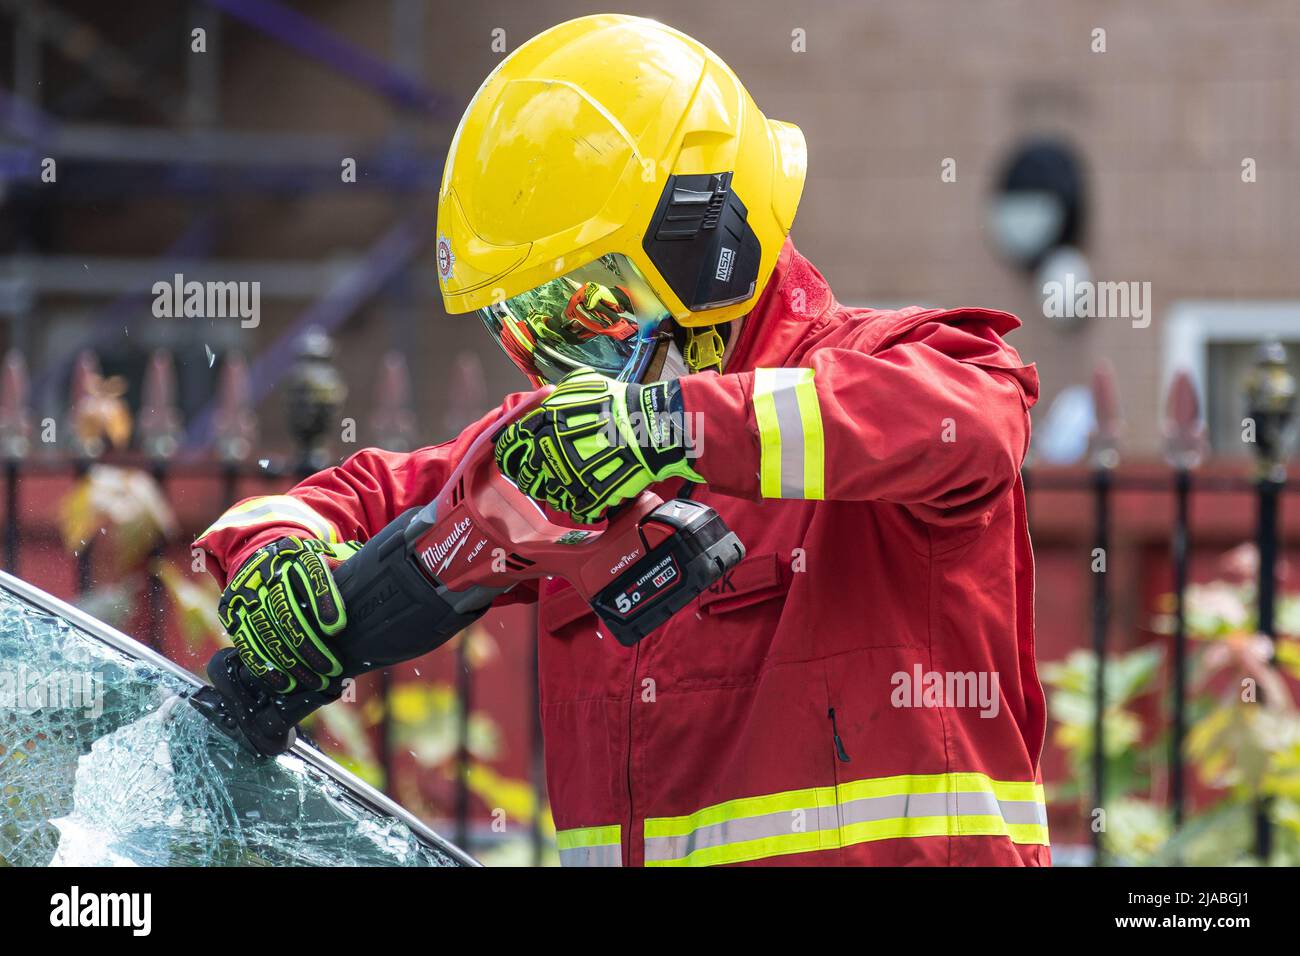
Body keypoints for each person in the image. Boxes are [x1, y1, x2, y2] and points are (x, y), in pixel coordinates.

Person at [195, 14, 1047, 866]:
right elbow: (365, 497)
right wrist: (274, 551)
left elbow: (973, 423)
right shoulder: (577, 443)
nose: (568, 362)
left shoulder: (894, 368)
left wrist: (669, 429)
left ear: (701, 243)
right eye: (528, 330)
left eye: (590, 308)